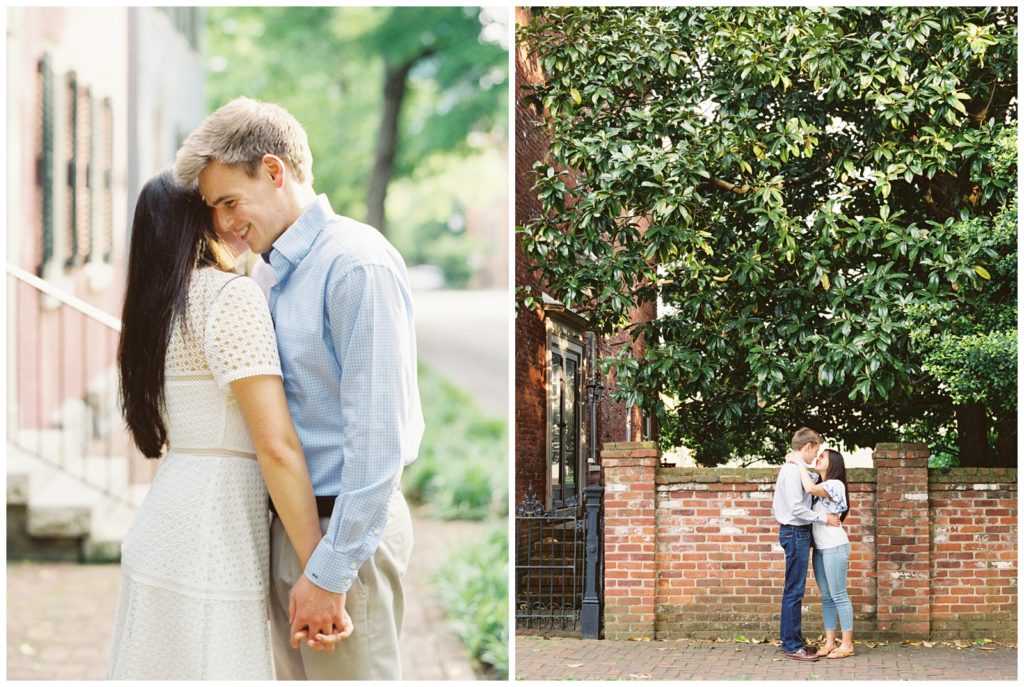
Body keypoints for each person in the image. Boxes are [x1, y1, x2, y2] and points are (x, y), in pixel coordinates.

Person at [174, 97, 424, 680]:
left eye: (230, 201)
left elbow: (378, 447)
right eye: (215, 208)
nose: (223, 223)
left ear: (274, 170)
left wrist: (329, 572)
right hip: (296, 528)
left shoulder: (356, 266)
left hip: (346, 536)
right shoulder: (268, 273)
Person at [108, 170, 348, 679]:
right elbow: (277, 444)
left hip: (165, 523)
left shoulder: (156, 309)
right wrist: (319, 571)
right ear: (196, 223)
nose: (233, 218)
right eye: (217, 206)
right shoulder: (228, 297)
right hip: (211, 537)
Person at [771, 427, 840, 662]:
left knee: (795, 589)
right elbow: (796, 508)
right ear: (807, 446)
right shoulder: (791, 472)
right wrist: (824, 518)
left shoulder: (795, 469)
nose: (816, 455)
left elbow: (812, 481)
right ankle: (791, 645)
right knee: (794, 590)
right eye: (816, 449)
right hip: (795, 532)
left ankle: (793, 641)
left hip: (797, 533)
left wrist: (799, 463)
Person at [787, 447, 855, 659]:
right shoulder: (820, 483)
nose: (817, 457)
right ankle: (830, 642)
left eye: (822, 456)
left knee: (839, 595)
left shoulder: (835, 484)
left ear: (833, 463)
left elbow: (808, 488)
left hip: (835, 546)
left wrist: (798, 462)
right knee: (827, 597)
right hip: (820, 548)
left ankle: (847, 645)